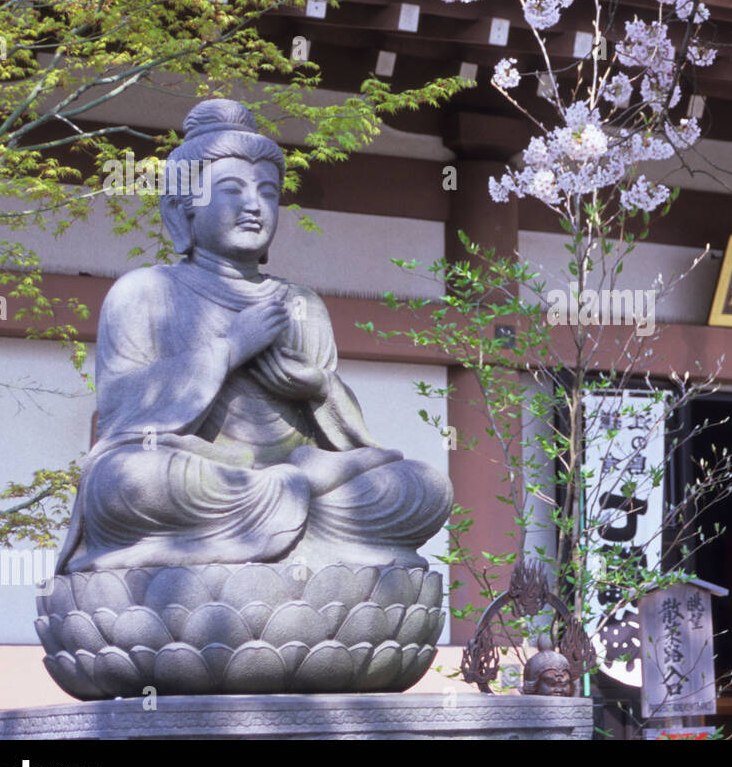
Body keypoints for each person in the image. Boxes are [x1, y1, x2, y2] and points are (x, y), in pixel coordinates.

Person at [55, 99, 452, 573]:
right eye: (231, 190)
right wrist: (228, 350)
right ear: (183, 210)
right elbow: (121, 412)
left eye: (268, 191)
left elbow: (344, 436)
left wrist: (319, 388)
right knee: (124, 482)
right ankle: (284, 510)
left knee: (424, 486)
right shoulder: (145, 292)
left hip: (307, 471)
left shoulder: (302, 305)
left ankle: (285, 504)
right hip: (200, 474)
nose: (253, 205)